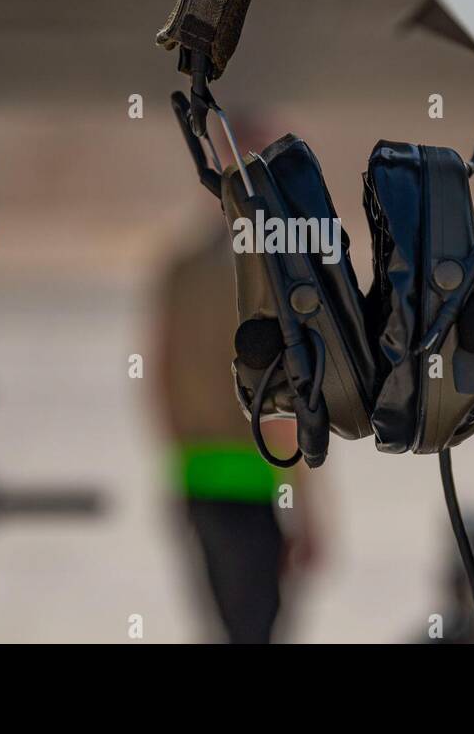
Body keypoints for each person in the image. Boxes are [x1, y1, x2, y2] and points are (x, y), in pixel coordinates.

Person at [152, 118, 321, 644]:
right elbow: (289, 402)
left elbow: (158, 377)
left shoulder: (179, 268)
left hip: (198, 476)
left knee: (227, 627)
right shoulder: (271, 274)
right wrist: (309, 506)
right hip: (260, 481)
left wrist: (173, 472)